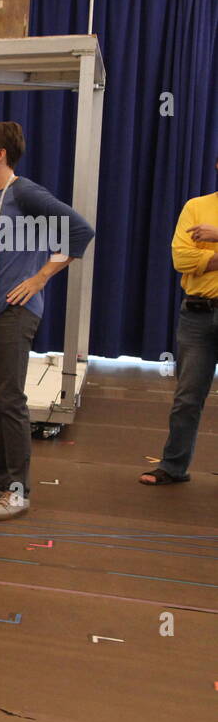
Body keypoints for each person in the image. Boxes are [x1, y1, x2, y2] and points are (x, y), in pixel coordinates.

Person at [0, 121, 94, 521]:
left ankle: (18, 492)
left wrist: (40, 277)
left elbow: (80, 231)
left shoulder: (26, 193)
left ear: (0, 154)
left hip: (15, 314)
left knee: (10, 400)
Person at [139, 155, 218, 487]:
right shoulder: (196, 207)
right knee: (187, 397)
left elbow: (194, 257)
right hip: (197, 314)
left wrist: (216, 237)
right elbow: (180, 258)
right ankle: (173, 466)